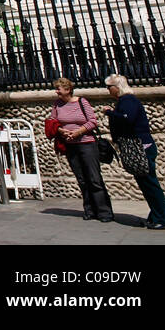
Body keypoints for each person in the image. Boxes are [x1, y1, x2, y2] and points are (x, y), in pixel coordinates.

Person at [101, 73, 165, 230]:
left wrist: (109, 113)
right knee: (146, 185)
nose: (108, 90)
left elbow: (127, 118)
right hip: (138, 147)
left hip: (141, 148)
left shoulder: (128, 100)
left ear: (116, 87)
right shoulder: (125, 101)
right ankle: (155, 216)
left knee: (150, 185)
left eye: (109, 87)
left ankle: (162, 219)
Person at [49, 77, 113, 222]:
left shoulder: (81, 102)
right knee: (82, 179)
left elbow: (92, 121)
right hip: (70, 145)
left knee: (94, 178)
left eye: (59, 88)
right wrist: (61, 131)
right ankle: (89, 210)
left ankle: (104, 212)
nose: (56, 91)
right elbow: (53, 121)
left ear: (68, 89)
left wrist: (78, 132)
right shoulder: (57, 105)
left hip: (86, 144)